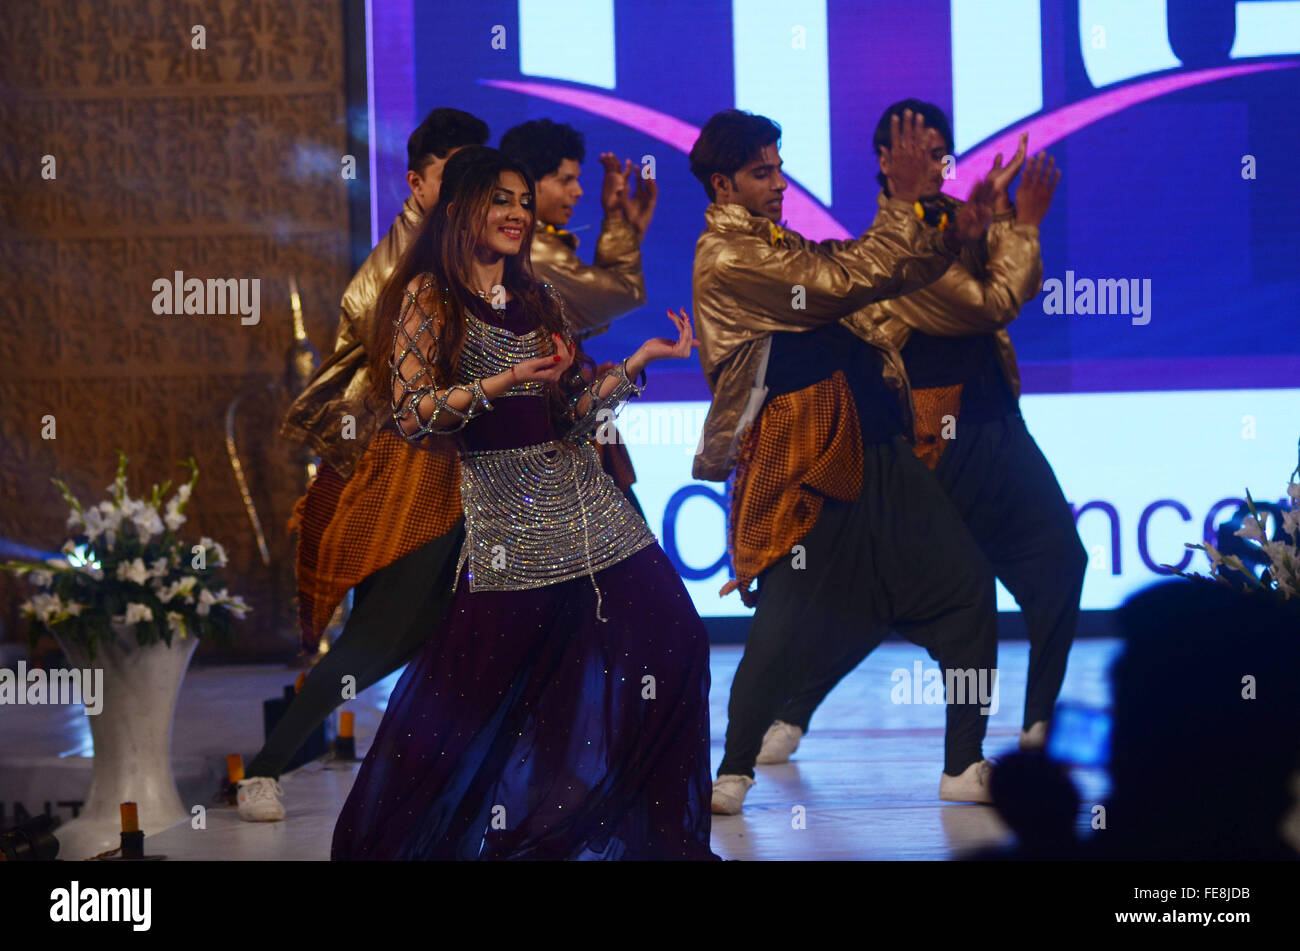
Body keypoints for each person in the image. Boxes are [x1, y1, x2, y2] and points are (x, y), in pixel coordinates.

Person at [331, 146, 717, 860]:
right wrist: (499, 384)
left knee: (680, 638)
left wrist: (637, 365)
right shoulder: (429, 296)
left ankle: (662, 841)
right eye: (499, 200)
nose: (515, 214)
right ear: (461, 209)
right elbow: (413, 414)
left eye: (522, 202)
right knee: (473, 702)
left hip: (586, 503)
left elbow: (571, 410)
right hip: (508, 523)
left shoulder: (537, 297)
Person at [689, 108, 1003, 813]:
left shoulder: (780, 243)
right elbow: (850, 277)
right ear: (722, 184)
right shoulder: (730, 256)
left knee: (967, 586)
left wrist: (949, 223)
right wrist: (908, 202)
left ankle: (963, 760)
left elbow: (876, 277)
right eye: (761, 173)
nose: (778, 182)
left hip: (874, 443)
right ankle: (733, 768)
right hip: (802, 455)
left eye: (778, 167)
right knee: (786, 617)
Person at [759, 100, 1082, 764]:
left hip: (996, 423)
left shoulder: (951, 223)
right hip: (936, 441)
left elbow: (1019, 283)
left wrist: (998, 227)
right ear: (882, 160)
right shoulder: (888, 246)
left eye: (941, 151)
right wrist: (1023, 223)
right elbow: (989, 305)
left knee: (1060, 563)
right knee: (893, 597)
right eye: (918, 151)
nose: (935, 162)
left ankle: (1039, 726)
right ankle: (792, 714)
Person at [237, 108, 491, 823]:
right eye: (455, 172)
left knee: (480, 630)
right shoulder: (395, 272)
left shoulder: (474, 251)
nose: (472, 187)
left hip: (479, 467)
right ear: (417, 182)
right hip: (409, 471)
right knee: (384, 637)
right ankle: (266, 767)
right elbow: (397, 375)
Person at [499, 118, 657, 512]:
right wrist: (618, 222)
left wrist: (626, 228)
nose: (579, 191)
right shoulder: (534, 250)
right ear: (527, 186)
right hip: (543, 441)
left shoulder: (533, 243)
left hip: (554, 428)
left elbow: (591, 308)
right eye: (566, 179)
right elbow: (623, 294)